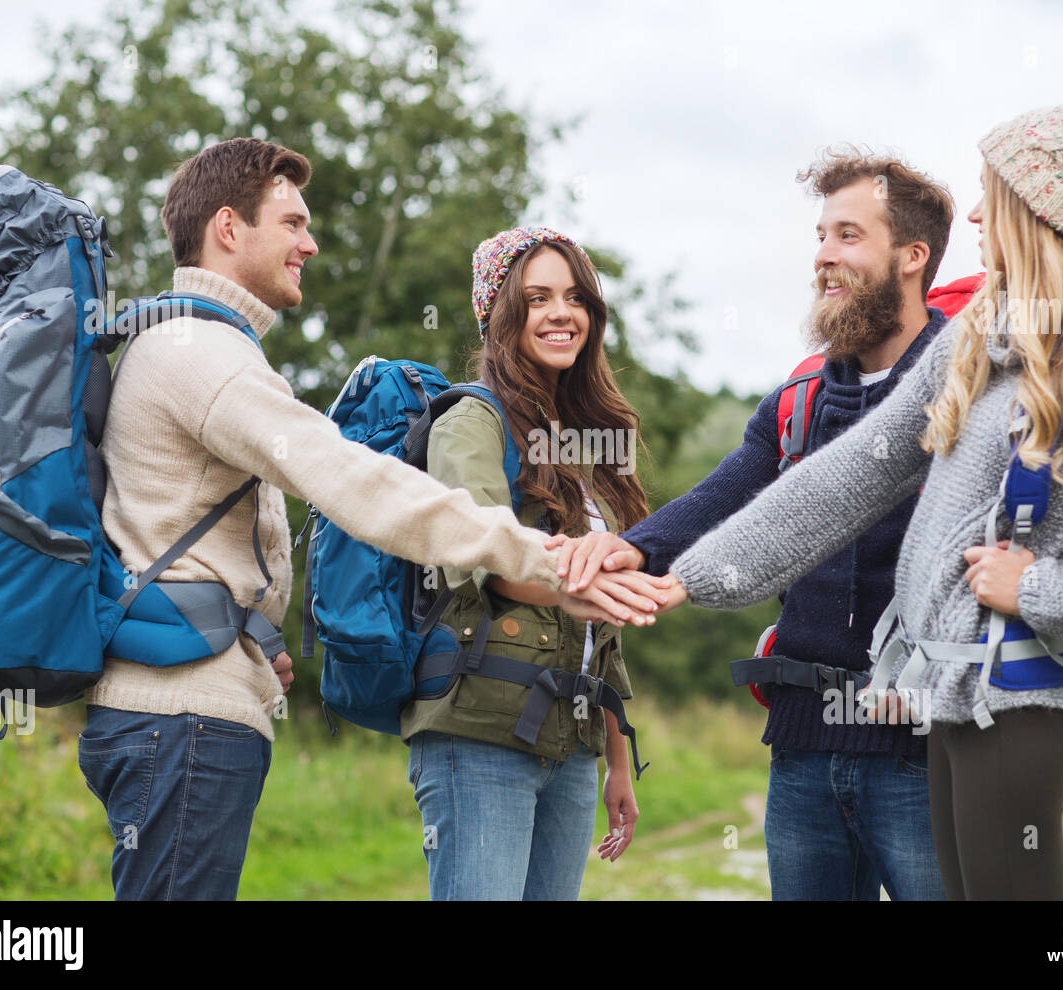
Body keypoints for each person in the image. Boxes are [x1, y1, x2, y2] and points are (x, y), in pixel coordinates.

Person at [651, 97, 1063, 900]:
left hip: (1019, 707)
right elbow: (850, 473)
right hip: (951, 700)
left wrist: (1039, 589)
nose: (978, 213)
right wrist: (695, 576)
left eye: (992, 193)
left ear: (1036, 209)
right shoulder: (980, 339)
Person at [78, 141, 614, 901]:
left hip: (190, 704)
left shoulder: (189, 344)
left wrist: (250, 633)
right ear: (228, 227)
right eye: (292, 222)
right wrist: (534, 554)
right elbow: (352, 482)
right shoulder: (203, 355)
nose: (310, 242)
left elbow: (168, 530)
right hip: (182, 716)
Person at [555, 149, 954, 900]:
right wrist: (630, 549)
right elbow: (725, 495)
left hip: (923, 747)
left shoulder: (966, 387)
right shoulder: (798, 398)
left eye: (847, 236)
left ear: (912, 256)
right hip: (801, 743)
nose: (823, 258)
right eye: (820, 236)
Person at [402, 226, 673, 900]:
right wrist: (571, 588)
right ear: (502, 314)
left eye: (576, 297)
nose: (562, 312)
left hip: (572, 747)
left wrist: (616, 761)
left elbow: (600, 626)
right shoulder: (473, 421)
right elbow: (480, 552)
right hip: (481, 732)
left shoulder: (585, 443)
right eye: (539, 297)